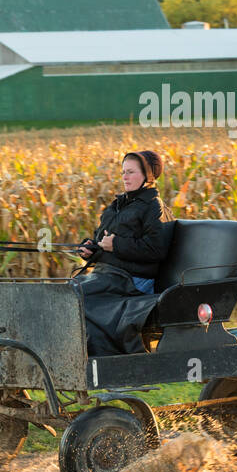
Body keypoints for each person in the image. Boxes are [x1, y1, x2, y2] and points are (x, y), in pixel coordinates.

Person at [72, 150, 175, 355]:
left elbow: (156, 250)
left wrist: (116, 245)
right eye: (123, 172)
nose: (125, 177)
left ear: (148, 176)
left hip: (133, 280)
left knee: (76, 295)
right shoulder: (117, 206)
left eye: (131, 172)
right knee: (67, 291)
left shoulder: (154, 208)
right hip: (107, 273)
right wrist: (90, 247)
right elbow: (102, 240)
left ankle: (100, 359)